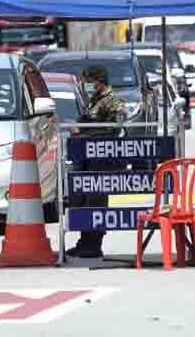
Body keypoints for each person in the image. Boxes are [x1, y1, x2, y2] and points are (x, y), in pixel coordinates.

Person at [66, 64, 126, 258]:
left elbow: (112, 129)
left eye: (89, 81)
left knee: (96, 201)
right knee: (83, 201)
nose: (87, 85)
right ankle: (84, 241)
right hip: (87, 156)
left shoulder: (113, 101)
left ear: (99, 81)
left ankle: (94, 244)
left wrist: (84, 133)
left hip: (101, 158)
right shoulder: (95, 99)